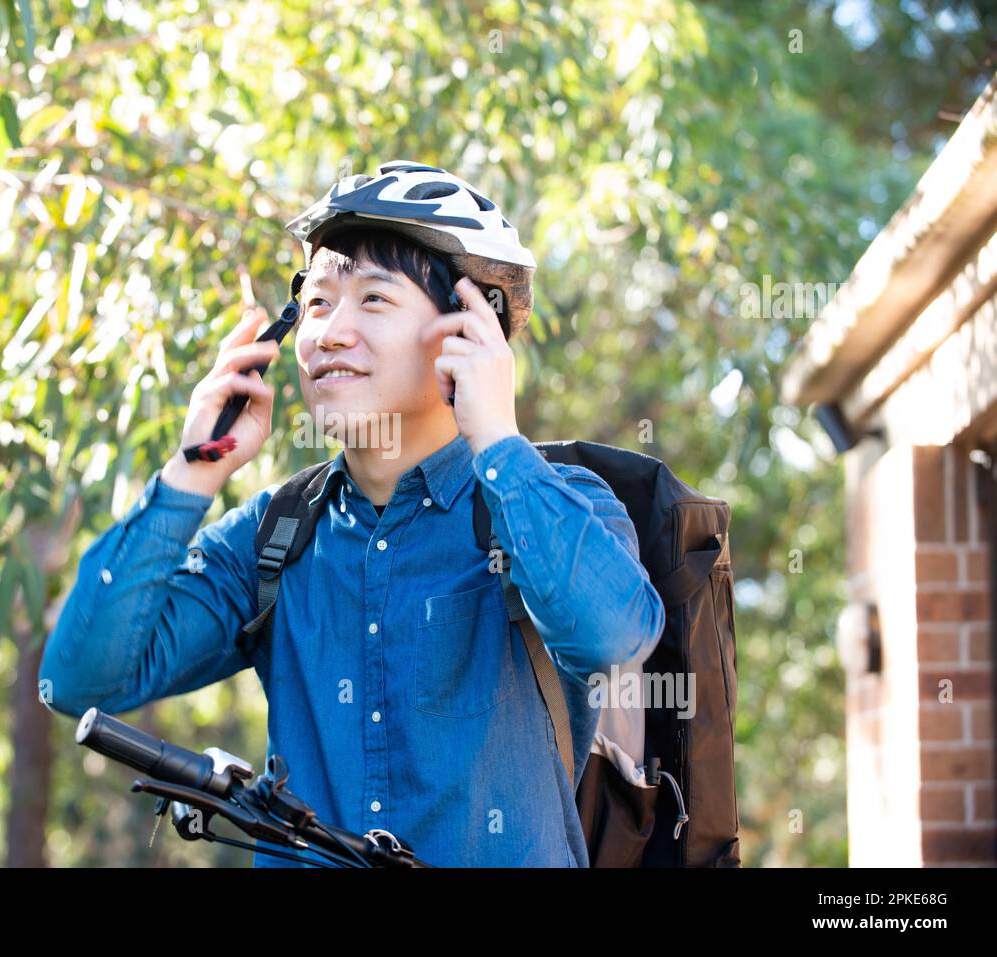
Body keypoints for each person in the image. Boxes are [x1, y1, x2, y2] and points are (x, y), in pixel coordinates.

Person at [39, 161, 666, 867]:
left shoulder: (556, 503)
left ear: (471, 328)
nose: (330, 333)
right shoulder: (272, 535)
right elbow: (77, 679)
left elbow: (613, 637)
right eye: (316, 303)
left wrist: (497, 439)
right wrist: (195, 468)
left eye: (373, 299)